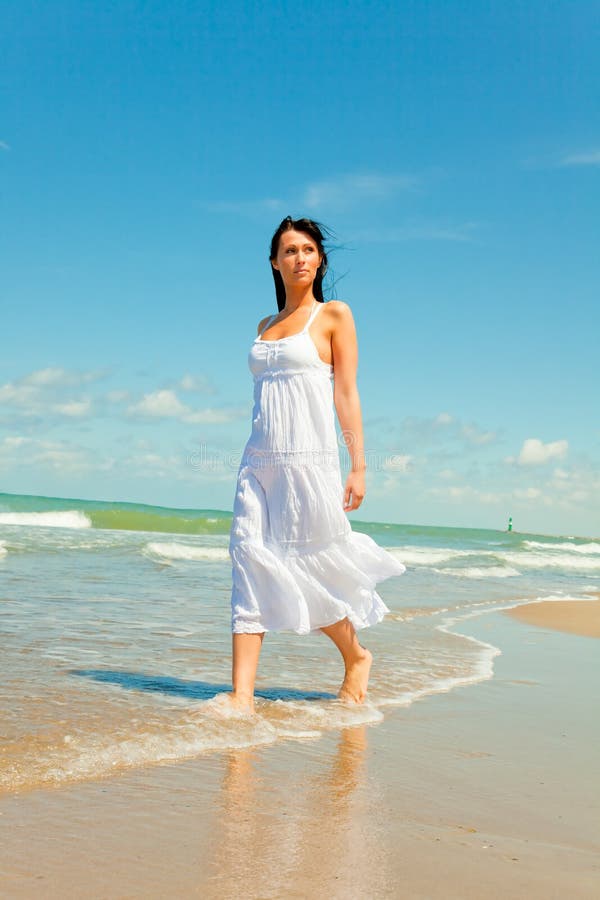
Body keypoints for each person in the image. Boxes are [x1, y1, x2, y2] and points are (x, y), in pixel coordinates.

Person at [227, 215, 406, 712]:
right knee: (246, 561)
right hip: (257, 462)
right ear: (274, 262)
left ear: (320, 260)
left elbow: (345, 393)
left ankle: (356, 656)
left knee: (306, 564)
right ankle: (241, 697)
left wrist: (359, 466)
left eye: (307, 250)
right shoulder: (264, 326)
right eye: (289, 250)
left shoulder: (333, 315)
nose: (299, 258)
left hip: (308, 462)